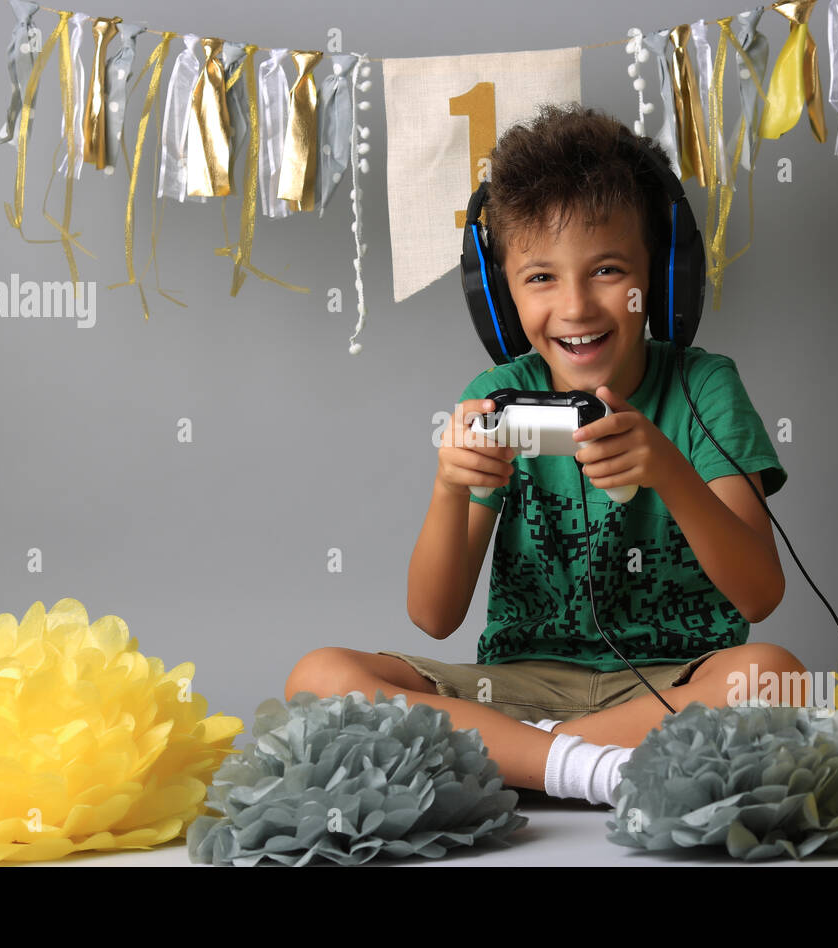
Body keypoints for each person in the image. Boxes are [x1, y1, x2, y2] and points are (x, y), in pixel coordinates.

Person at [285, 103, 808, 806]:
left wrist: (670, 472)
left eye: (606, 270)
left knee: (773, 676)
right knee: (319, 676)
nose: (576, 307)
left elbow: (761, 595)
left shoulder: (704, 386)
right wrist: (449, 488)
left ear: (661, 278)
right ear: (499, 296)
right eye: (540, 278)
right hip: (516, 685)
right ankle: (587, 767)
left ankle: (521, 758)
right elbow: (434, 617)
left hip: (666, 682)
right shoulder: (499, 396)